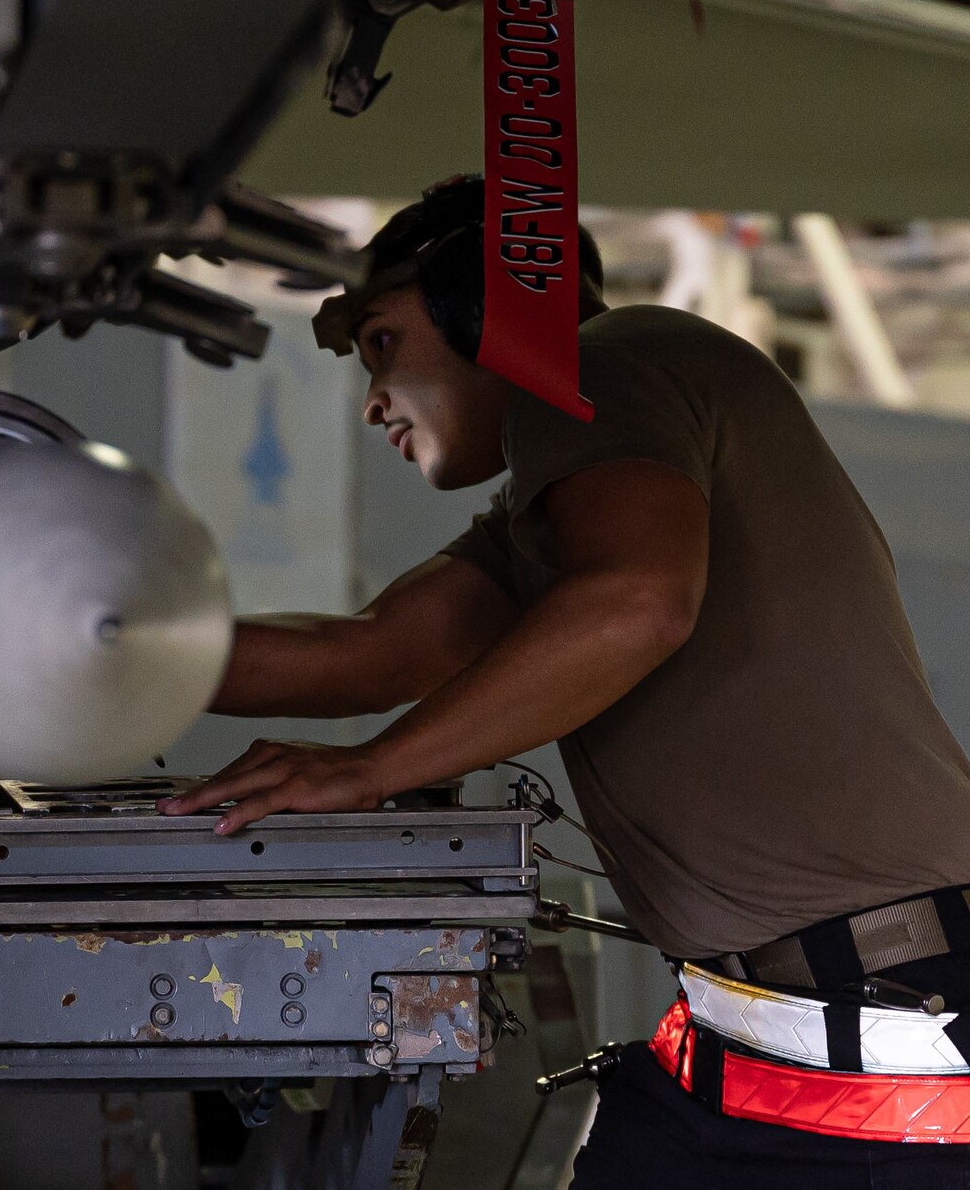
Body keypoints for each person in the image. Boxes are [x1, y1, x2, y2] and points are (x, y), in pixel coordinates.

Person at [164, 177, 970, 1185]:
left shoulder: (610, 361)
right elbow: (364, 651)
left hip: (884, 1031)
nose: (372, 397)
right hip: (752, 1035)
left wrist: (370, 768)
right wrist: (82, 656)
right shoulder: (559, 511)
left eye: (380, 343)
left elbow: (636, 601)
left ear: (482, 304)